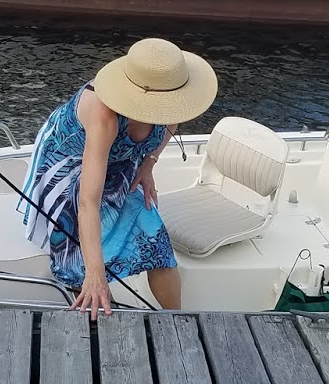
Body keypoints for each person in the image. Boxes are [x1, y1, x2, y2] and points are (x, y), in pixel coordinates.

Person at [21, 39, 217, 316]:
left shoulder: (171, 104)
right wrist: (95, 273)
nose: (170, 108)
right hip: (72, 166)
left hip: (120, 161)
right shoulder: (105, 115)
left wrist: (148, 163)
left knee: (156, 239)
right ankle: (96, 304)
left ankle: (179, 318)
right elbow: (88, 201)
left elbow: (172, 120)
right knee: (82, 265)